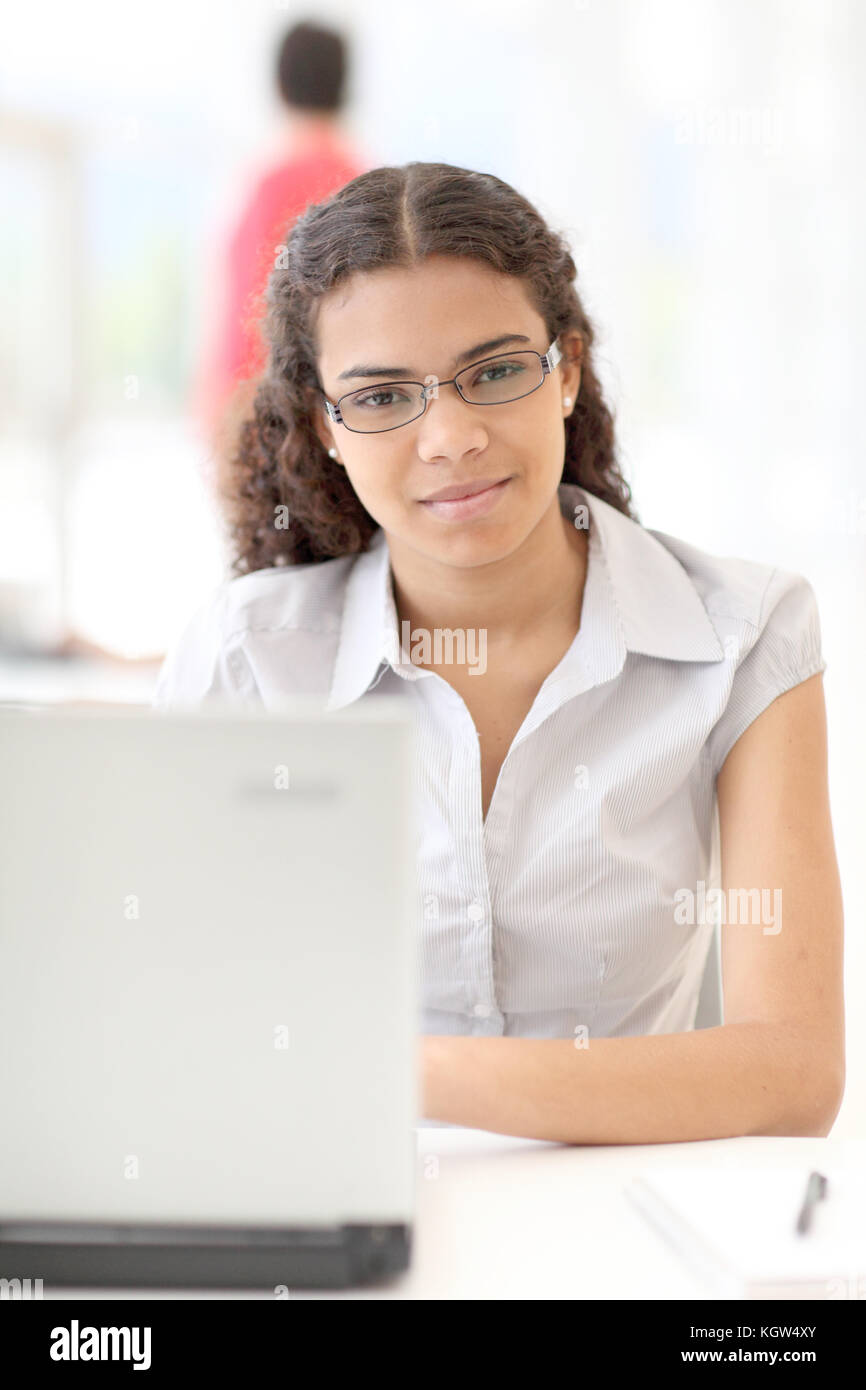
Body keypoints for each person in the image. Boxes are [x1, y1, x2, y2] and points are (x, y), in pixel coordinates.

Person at [154, 161, 845, 1146]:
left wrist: (397, 1069)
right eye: (384, 396)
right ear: (326, 426)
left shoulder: (743, 635)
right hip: (333, 1224)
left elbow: (792, 1069)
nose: (449, 436)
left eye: (493, 372)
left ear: (564, 370)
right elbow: (161, 1021)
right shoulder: (246, 659)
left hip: (629, 1232)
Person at [194, 19, 367, 502]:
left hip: (270, 425)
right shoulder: (372, 186)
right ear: (346, 84)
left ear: (278, 84)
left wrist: (220, 424)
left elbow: (244, 322)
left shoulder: (267, 186)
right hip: (354, 422)